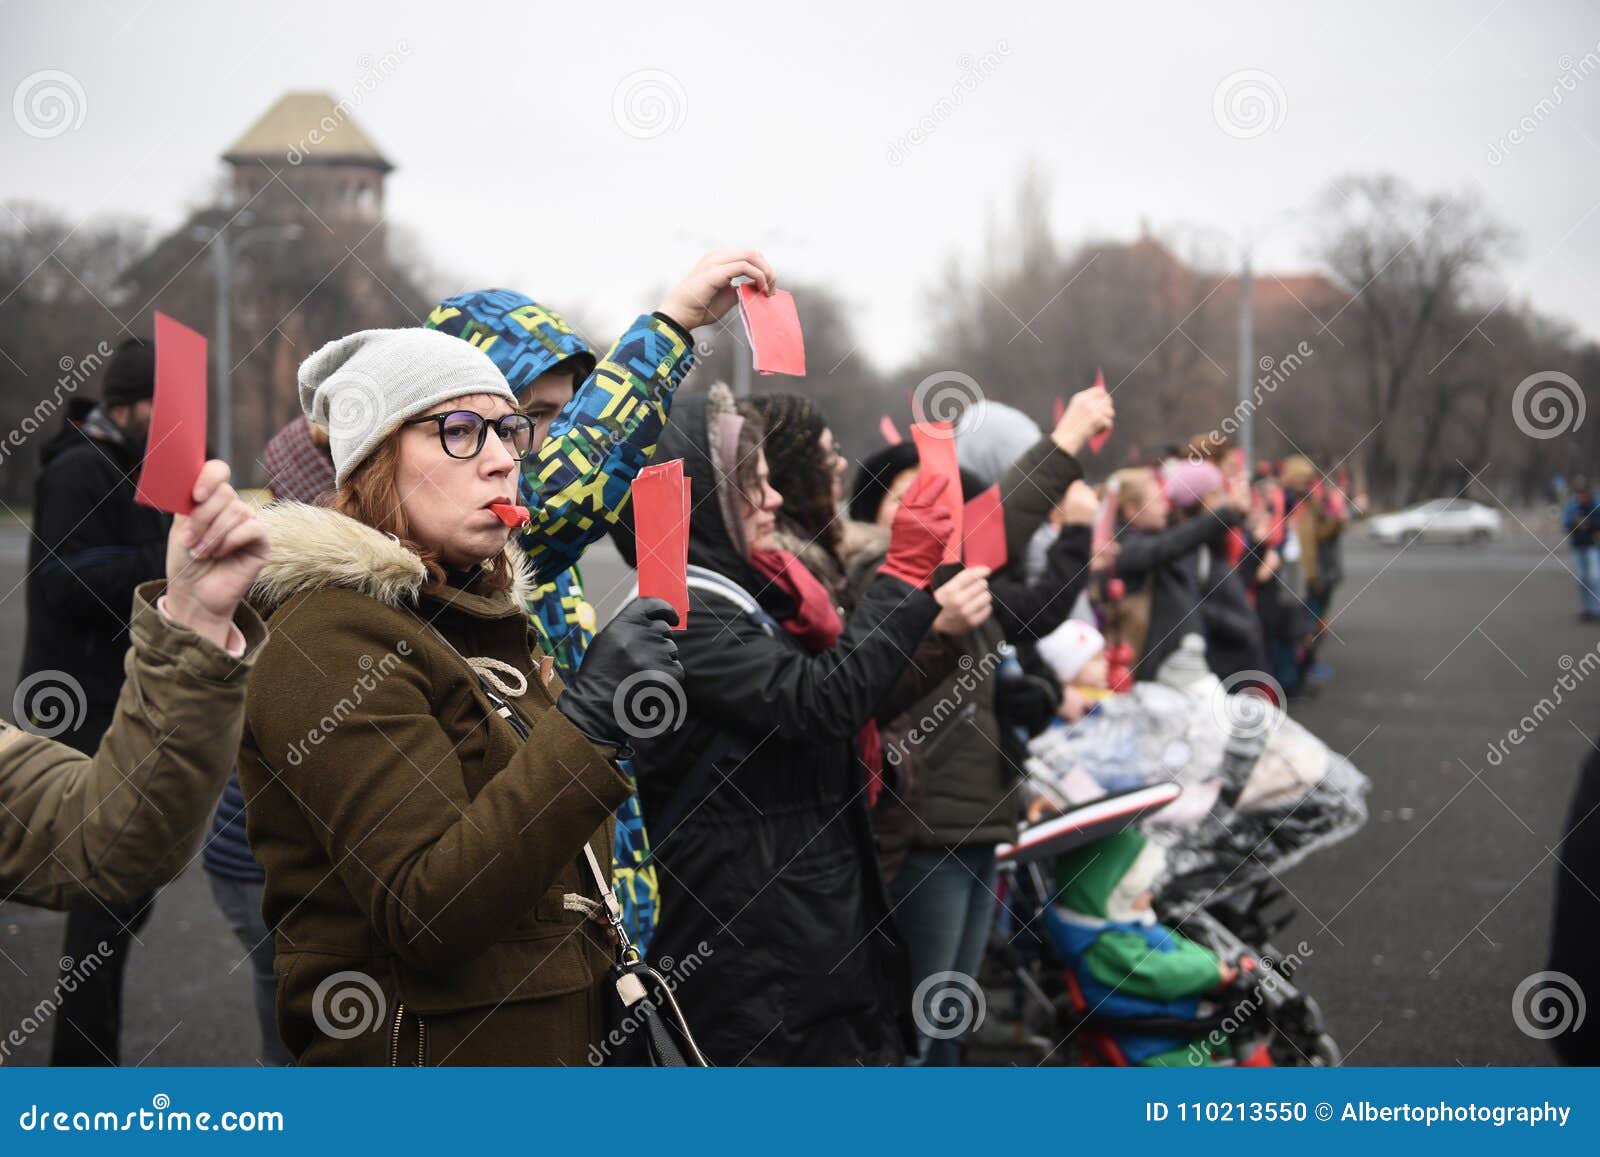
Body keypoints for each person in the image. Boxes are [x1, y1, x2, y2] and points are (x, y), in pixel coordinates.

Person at [237, 328, 682, 1064]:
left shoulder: (476, 616)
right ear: (376, 457)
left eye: (509, 430)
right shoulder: (330, 637)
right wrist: (589, 721)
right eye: (460, 431)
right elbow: (431, 909)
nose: (505, 457)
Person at [424, 249, 774, 955]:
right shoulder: (459, 564)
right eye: (531, 417)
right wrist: (671, 328)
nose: (533, 446)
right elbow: (559, 498)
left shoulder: (547, 568)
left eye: (563, 416)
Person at [628, 383, 954, 1066]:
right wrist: (905, 573)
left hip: (794, 946)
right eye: (753, 484)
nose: (773, 501)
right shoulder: (679, 613)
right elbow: (820, 702)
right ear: (699, 500)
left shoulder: (734, 595)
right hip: (755, 966)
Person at [846, 393, 1104, 1064]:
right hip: (925, 827)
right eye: (906, 495)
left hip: (982, 819)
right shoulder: (881, 576)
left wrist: (1029, 689)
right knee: (920, 1027)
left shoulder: (961, 579)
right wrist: (1068, 438)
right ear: (871, 513)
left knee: (950, 1021)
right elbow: (1006, 521)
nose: (928, 507)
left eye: (939, 496)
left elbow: (1028, 616)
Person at [2, 460, 268, 910]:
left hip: (132, 687)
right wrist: (151, 565)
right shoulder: (74, 474)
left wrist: (195, 618)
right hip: (78, 690)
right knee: (97, 938)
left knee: (113, 920)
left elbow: (100, 843)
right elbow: (63, 579)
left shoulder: (130, 469)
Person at [19, 337, 174, 1065]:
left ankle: (87, 1067)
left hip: (123, 707)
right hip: (77, 714)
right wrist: (163, 563)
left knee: (120, 903)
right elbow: (60, 580)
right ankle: (78, 1084)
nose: (168, 422)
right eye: (160, 407)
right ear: (126, 404)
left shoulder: (137, 470)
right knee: (101, 910)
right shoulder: (82, 468)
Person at [201, 416, 336, 1067]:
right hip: (254, 863)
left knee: (295, 1016)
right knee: (297, 1025)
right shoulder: (292, 586)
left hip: (252, 858)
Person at [1044, 830, 1238, 1066]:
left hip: (1182, 1028)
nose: (1149, 895)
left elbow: (1179, 945)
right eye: (1141, 889)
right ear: (1114, 896)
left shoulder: (1133, 926)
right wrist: (1210, 972)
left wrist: (1215, 962)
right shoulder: (1106, 949)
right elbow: (1160, 974)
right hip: (1154, 1051)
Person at [1563, 475, 1600, 622]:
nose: (1581, 496)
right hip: (1578, 545)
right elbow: (1566, 525)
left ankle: (1597, 608)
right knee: (1582, 579)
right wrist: (1575, 523)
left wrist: (1589, 524)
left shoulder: (1596, 504)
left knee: (1595, 577)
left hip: (1593, 545)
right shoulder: (1572, 505)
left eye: (1583, 492)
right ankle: (1587, 609)